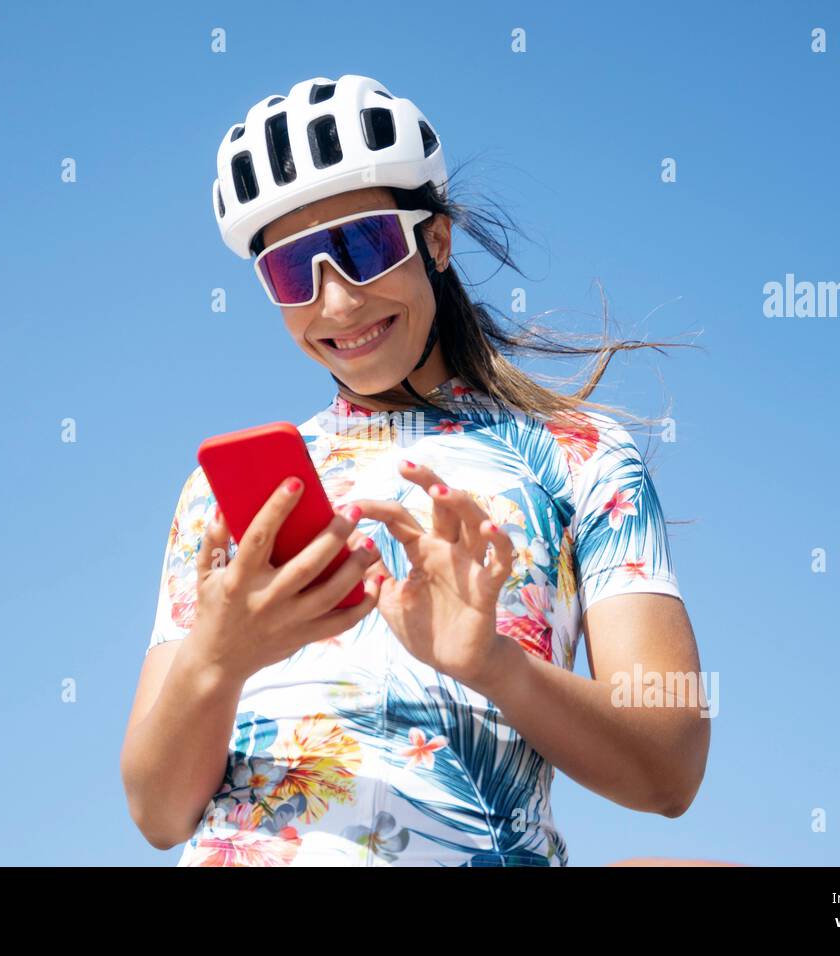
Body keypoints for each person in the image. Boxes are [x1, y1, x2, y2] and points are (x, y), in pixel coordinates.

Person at [120, 73, 713, 866]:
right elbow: (159, 816)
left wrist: (492, 663)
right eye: (293, 273)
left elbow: (669, 768)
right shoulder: (219, 497)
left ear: (436, 239)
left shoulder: (581, 456)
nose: (336, 305)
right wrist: (216, 659)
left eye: (363, 247)